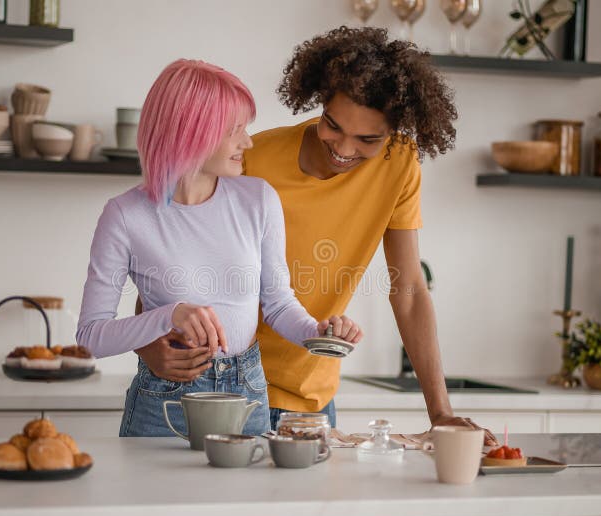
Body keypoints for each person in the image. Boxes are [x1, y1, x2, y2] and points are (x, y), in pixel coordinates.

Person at [136, 28, 496, 444]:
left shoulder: (400, 167)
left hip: (311, 403)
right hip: (224, 390)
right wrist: (147, 345)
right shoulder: (253, 160)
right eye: (333, 125)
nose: (343, 148)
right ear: (320, 99)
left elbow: (410, 289)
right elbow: (170, 265)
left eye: (368, 139)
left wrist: (441, 414)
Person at [76, 59, 362, 437]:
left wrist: (319, 332)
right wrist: (169, 316)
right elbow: (91, 337)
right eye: (235, 130)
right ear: (191, 132)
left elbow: (278, 304)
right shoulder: (125, 216)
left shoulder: (257, 198)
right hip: (165, 402)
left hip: (249, 395)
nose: (248, 141)